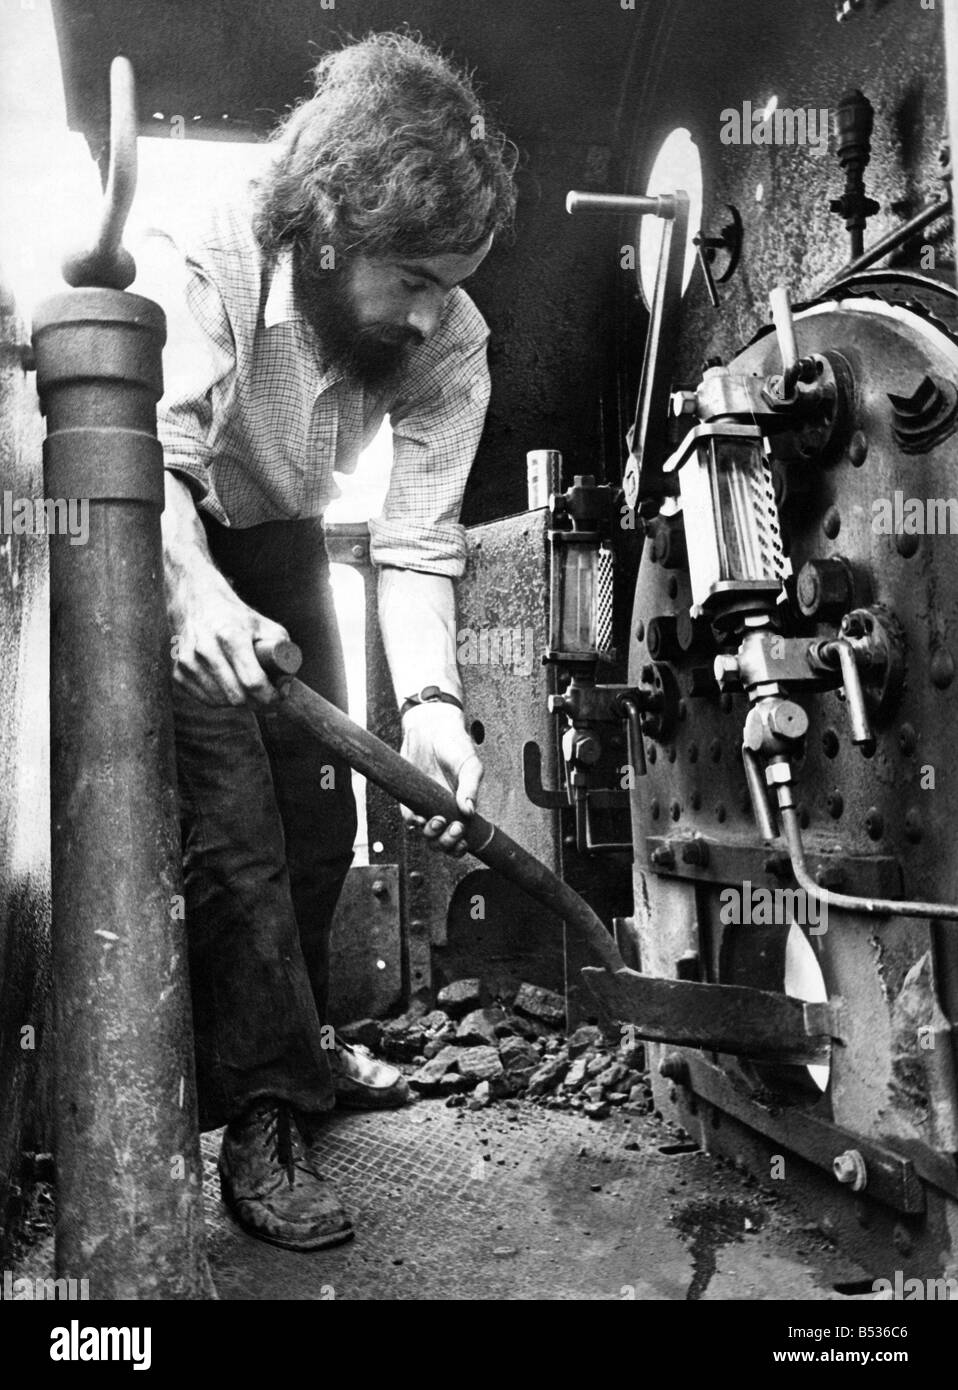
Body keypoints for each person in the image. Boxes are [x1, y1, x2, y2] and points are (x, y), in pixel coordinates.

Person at [145, 32, 517, 1251]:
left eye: (447, 283)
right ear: (323, 231)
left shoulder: (445, 338)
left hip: (289, 536)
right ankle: (258, 1116)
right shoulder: (209, 246)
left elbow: (415, 541)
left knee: (318, 821)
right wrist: (191, 594)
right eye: (408, 278)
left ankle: (299, 1052)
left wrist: (430, 707)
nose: (425, 316)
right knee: (238, 837)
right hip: (173, 528)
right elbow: (146, 458)